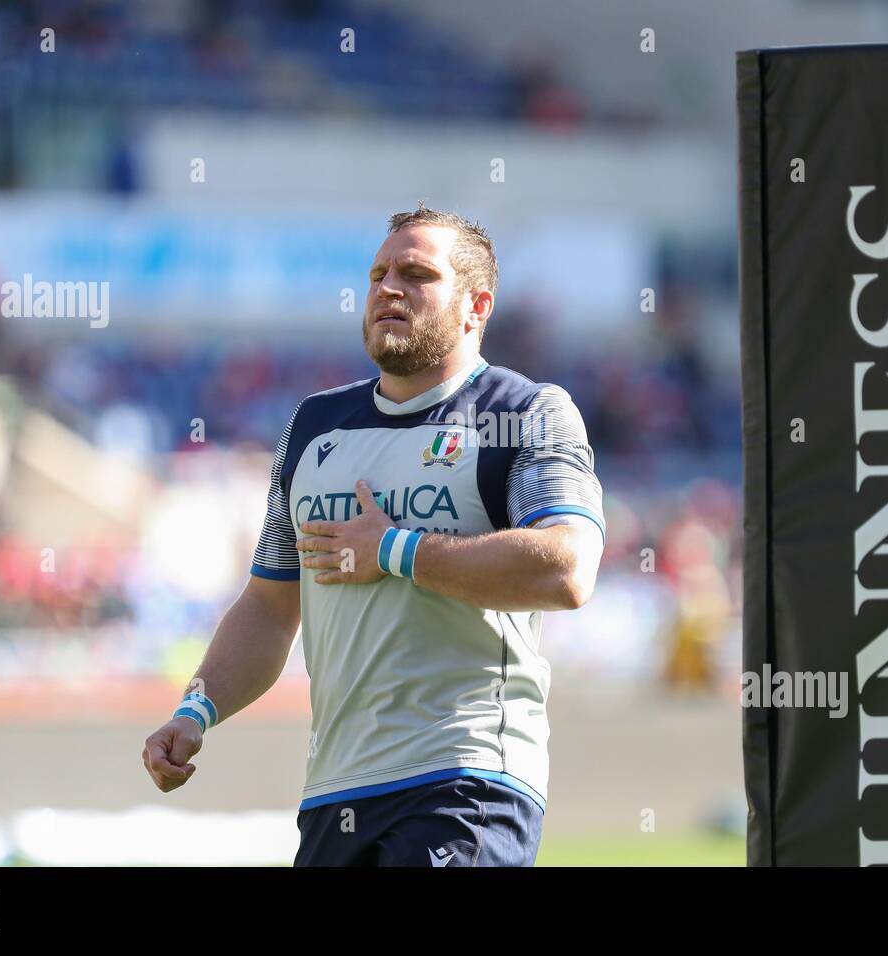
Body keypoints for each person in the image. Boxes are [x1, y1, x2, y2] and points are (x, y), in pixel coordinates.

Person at [141, 203, 606, 866]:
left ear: (476, 306)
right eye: (379, 273)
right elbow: (271, 605)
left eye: (416, 274)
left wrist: (394, 549)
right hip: (336, 792)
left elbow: (567, 569)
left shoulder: (525, 412)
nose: (389, 287)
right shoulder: (313, 428)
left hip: (466, 779)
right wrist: (196, 710)